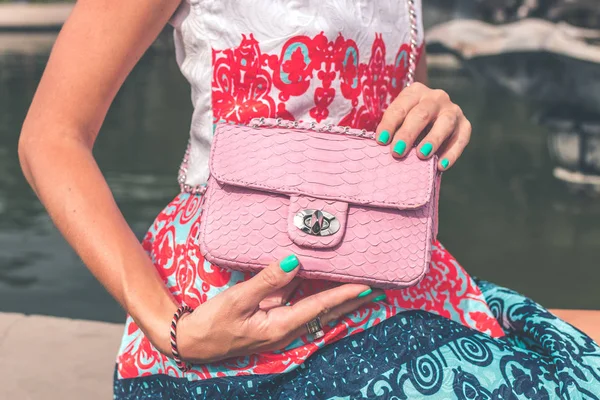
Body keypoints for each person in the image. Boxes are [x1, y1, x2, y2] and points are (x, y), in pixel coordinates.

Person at [18, 0, 600, 398]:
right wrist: (172, 329)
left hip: (385, 273)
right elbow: (51, 137)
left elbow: (399, 105)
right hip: (232, 302)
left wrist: (432, 107)